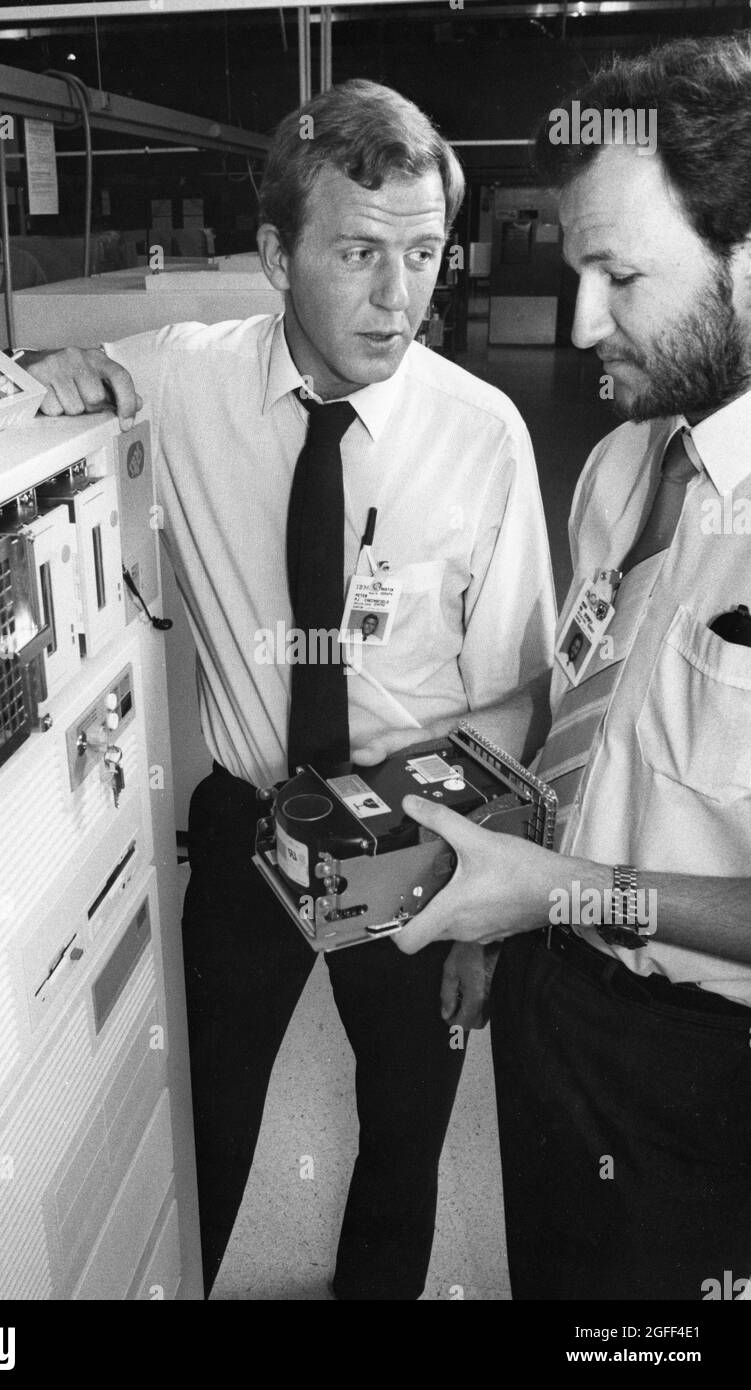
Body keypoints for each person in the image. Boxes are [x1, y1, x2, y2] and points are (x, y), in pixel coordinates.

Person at [22, 79, 555, 1300]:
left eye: (423, 254)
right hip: (250, 823)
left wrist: (492, 894)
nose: (397, 295)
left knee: (406, 1128)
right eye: (358, 252)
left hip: (421, 840)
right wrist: (57, 375)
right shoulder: (186, 378)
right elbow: (67, 373)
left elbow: (517, 692)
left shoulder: (482, 436)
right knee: (201, 1119)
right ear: (275, 254)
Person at [386, 36, 751, 1301]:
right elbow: (576, 709)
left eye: (619, 274)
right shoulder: (617, 466)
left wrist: (563, 892)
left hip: (702, 1071)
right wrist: (510, 893)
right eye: (575, 267)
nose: (580, 318)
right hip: (552, 1003)